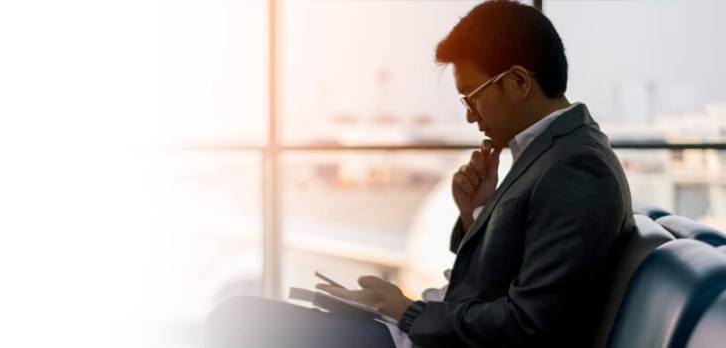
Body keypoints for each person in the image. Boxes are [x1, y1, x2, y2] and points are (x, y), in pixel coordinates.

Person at [205, 1, 636, 347]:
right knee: (246, 318)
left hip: (425, 337)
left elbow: (529, 327)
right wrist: (477, 213)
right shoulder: (551, 153)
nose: (470, 117)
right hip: (425, 331)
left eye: (472, 97)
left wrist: (406, 311)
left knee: (238, 319)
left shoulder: (577, 169)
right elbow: (509, 284)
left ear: (519, 82)